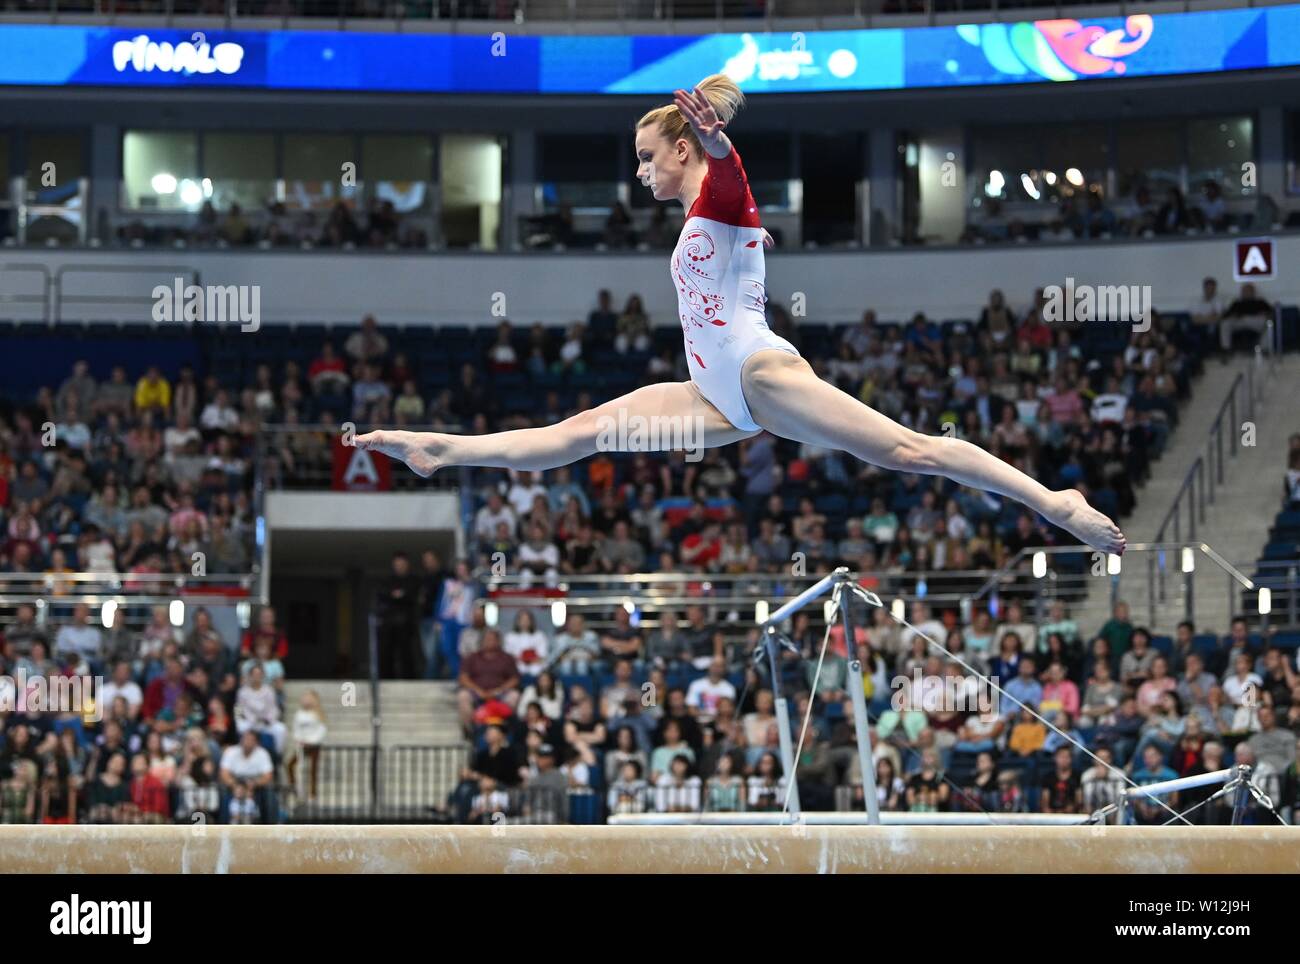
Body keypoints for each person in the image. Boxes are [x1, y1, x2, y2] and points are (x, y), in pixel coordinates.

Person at [352, 76, 1125, 557]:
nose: (639, 168)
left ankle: (1054, 503)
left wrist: (721, 147)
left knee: (909, 452)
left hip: (758, 373)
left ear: (684, 151)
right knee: (573, 435)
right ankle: (441, 451)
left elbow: (729, 177)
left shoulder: (719, 192)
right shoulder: (698, 210)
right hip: (715, 395)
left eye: (649, 154)